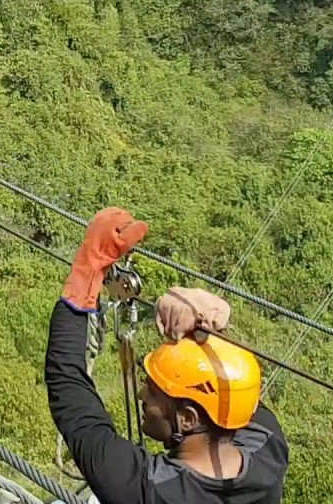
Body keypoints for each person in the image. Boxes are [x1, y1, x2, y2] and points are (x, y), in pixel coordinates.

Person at [45, 207, 289, 503]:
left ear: (187, 419)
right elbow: (236, 394)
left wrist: (88, 271)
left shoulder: (147, 491)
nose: (141, 395)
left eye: (154, 391)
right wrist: (204, 330)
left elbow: (68, 388)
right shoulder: (268, 453)